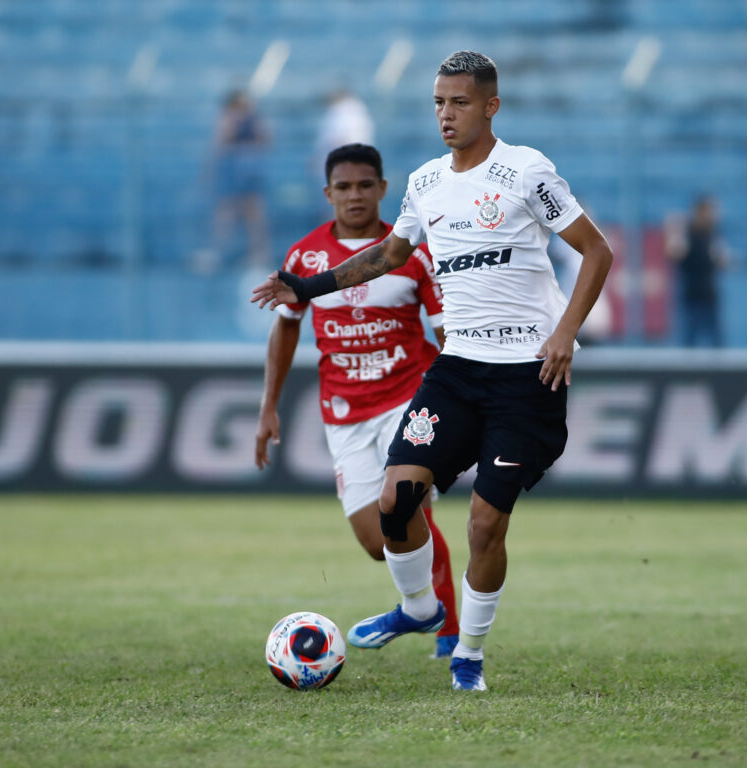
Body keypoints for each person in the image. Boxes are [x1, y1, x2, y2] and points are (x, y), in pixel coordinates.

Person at [252, 51, 613, 691]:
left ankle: (469, 651)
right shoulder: (424, 183)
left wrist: (565, 333)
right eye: (439, 103)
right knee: (396, 499)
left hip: (526, 377)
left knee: (482, 523)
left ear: (491, 106)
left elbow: (597, 251)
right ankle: (420, 608)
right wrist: (305, 287)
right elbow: (390, 253)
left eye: (461, 103)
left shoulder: (527, 171)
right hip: (456, 373)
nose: (447, 114)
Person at [254, 143, 459, 658]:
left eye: (365, 185)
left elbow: (447, 334)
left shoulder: (411, 251)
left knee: (408, 507)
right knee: (378, 541)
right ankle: (427, 608)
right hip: (344, 413)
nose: (354, 196)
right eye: (343, 187)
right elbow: (285, 332)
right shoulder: (305, 257)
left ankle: (447, 626)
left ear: (383, 189)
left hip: (408, 399)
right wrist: (268, 406)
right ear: (327, 194)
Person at [196, 89, 270, 273]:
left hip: (247, 171)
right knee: (227, 214)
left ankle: (258, 254)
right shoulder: (229, 118)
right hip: (233, 171)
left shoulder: (253, 120)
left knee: (252, 214)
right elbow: (221, 143)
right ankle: (218, 253)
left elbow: (266, 140)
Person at [665, 195, 730, 347]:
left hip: (710, 297)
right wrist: (674, 230)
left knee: (717, 344)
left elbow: (722, 262)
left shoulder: (713, 235)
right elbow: (674, 254)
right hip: (691, 297)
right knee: (689, 343)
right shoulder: (687, 234)